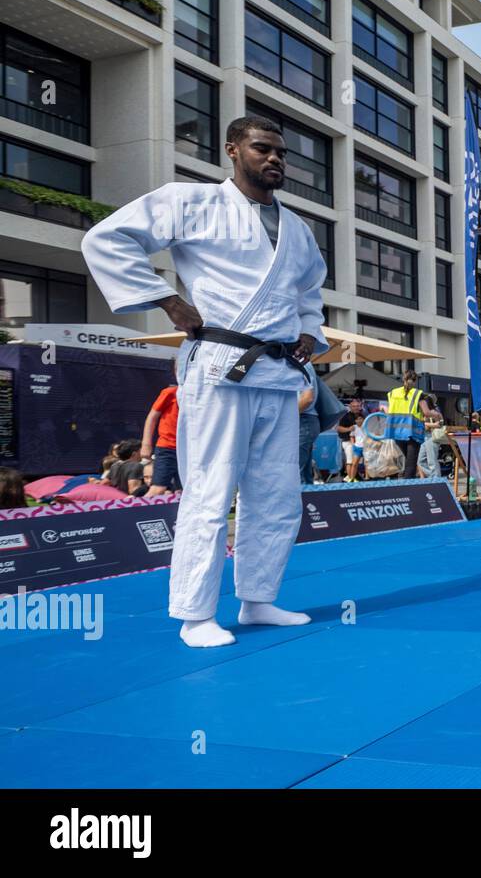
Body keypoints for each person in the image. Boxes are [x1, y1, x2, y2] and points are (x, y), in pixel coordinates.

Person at [81, 115, 326, 648]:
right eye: (262, 148)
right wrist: (167, 299)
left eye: (281, 152)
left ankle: (259, 599)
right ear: (232, 151)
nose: (275, 159)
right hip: (219, 363)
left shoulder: (298, 229)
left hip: (280, 373)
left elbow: (310, 293)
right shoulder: (190, 202)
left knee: (278, 494)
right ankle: (195, 613)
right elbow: (107, 238)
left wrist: (308, 333)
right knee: (211, 490)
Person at [386, 370, 435, 479]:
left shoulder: (393, 393)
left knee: (409, 460)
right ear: (415, 381)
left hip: (396, 432)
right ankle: (408, 488)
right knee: (411, 463)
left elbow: (389, 410)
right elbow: (427, 412)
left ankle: (406, 484)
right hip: (412, 432)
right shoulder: (418, 394)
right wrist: (437, 415)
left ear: (403, 378)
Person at [141, 382, 182, 495]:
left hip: (188, 450)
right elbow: (152, 417)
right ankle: (139, 512)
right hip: (168, 448)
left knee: (184, 490)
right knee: (158, 488)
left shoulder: (199, 394)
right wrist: (146, 444)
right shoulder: (171, 392)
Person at [417, 413, 453, 478]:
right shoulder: (422, 410)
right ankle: (434, 477)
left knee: (432, 461)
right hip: (423, 437)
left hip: (432, 437)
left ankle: (436, 479)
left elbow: (439, 424)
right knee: (420, 461)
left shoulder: (433, 410)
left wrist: (428, 424)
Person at [337, 398, 363, 482]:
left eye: (357, 406)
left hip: (360, 443)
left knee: (356, 462)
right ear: (350, 407)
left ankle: (353, 477)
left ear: (360, 406)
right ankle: (350, 478)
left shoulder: (363, 415)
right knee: (350, 461)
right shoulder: (345, 416)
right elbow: (338, 428)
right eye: (354, 406)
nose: (356, 407)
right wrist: (349, 429)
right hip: (348, 441)